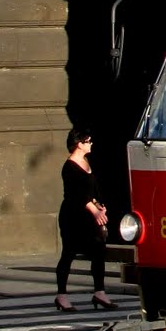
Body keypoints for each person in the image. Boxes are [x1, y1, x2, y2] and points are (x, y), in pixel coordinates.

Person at [54, 129, 116, 312]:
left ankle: (99, 292)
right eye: (88, 141)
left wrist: (99, 205)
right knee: (69, 253)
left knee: (99, 251)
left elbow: (92, 190)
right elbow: (76, 194)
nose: (91, 143)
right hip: (73, 216)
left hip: (89, 215)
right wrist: (93, 210)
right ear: (79, 143)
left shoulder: (87, 161)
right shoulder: (69, 167)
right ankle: (61, 296)